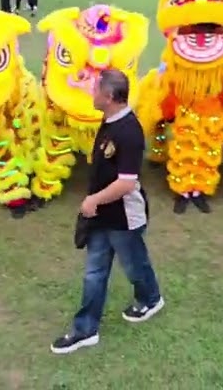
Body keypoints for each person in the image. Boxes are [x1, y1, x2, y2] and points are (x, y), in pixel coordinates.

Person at [51, 68, 164, 355]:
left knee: (134, 265)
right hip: (103, 214)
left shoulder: (129, 131)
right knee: (95, 271)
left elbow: (126, 183)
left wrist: (93, 201)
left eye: (94, 89)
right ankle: (85, 329)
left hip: (124, 217)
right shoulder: (109, 120)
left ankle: (151, 299)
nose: (90, 93)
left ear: (109, 96)